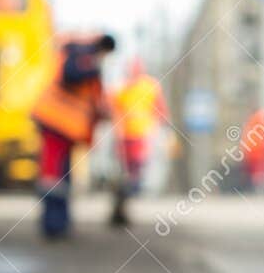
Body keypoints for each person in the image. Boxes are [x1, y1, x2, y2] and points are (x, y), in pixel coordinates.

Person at [30, 33, 116, 238]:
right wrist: (95, 69)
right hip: (56, 122)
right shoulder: (81, 54)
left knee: (61, 174)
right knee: (53, 175)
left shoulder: (86, 58)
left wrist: (102, 111)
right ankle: (53, 224)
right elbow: (71, 74)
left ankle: (61, 222)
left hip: (65, 127)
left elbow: (91, 97)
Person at [110, 58, 169, 225]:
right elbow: (115, 108)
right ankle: (127, 193)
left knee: (137, 164)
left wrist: (161, 127)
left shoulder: (149, 86)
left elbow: (160, 108)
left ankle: (132, 191)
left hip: (142, 133)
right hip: (124, 134)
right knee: (127, 167)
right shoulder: (122, 87)